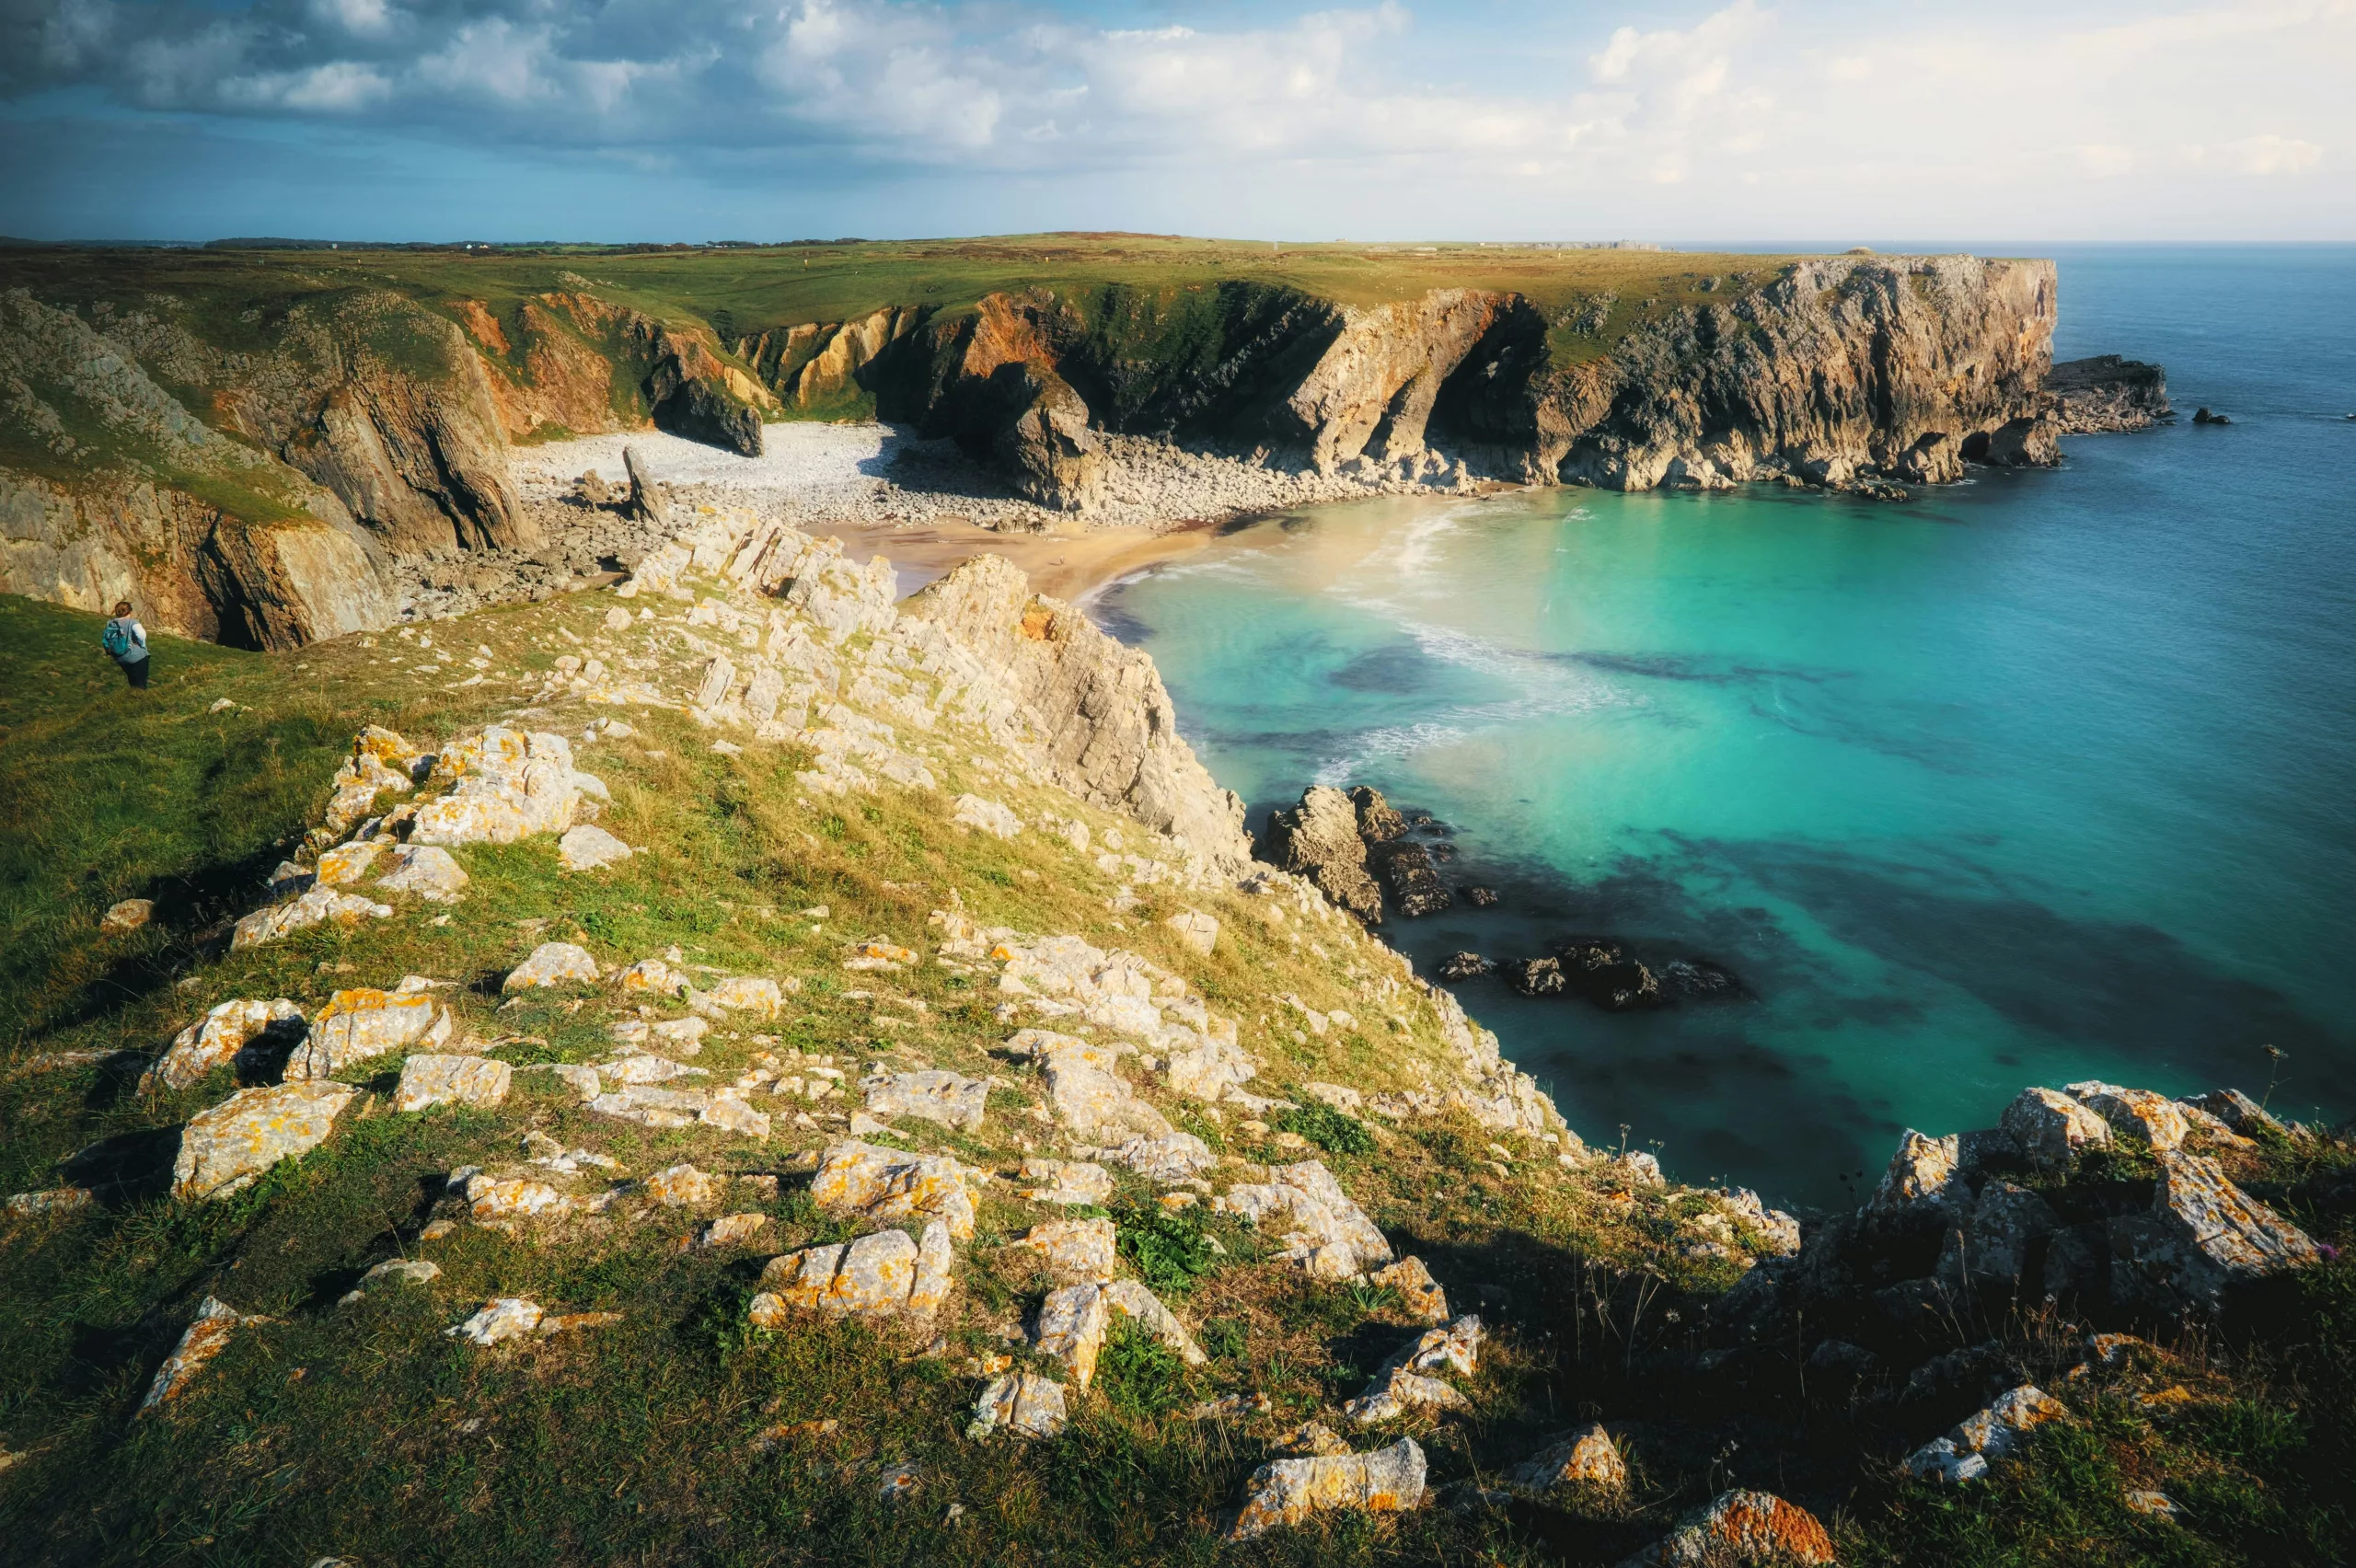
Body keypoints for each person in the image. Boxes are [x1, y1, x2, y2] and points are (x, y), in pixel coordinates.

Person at [101, 600, 150, 688]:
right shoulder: (132, 622)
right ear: (129, 611)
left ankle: (133, 697)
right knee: (141, 683)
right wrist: (142, 645)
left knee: (132, 681)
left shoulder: (111, 623)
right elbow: (141, 634)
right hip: (136, 657)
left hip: (120, 658)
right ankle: (141, 699)